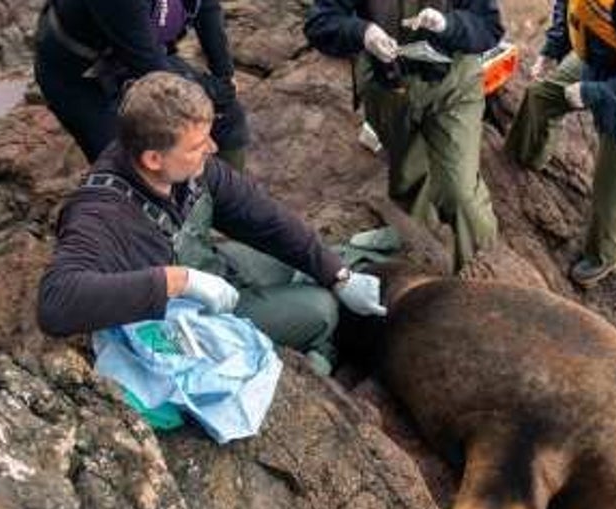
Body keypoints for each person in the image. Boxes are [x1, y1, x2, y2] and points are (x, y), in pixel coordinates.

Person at [37, 72, 386, 370]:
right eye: (197, 145)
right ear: (153, 158)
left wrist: (339, 275)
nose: (213, 149)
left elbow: (264, 217)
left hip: (214, 267)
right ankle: (319, 355)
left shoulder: (189, 166)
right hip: (184, 323)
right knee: (320, 310)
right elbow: (56, 303)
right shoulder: (101, 214)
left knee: (307, 264)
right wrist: (177, 281)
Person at [304, 0, 503, 270]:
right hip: (386, 86)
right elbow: (319, 23)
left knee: (459, 194)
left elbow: (489, 27)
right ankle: (423, 263)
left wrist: (448, 24)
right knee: (409, 178)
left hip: (453, 87)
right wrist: (362, 32)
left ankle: (486, 280)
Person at [504, 0, 616, 287]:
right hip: (597, 57)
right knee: (541, 97)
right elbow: (567, 5)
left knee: (615, 186)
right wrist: (553, 48)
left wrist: (593, 92)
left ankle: (605, 257)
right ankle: (527, 153)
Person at [34, 0, 250, 169]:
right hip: (81, 79)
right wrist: (208, 93)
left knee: (227, 116)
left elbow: (206, 8)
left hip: (139, 53)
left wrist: (224, 75)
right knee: (129, 165)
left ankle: (223, 205)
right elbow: (151, 67)